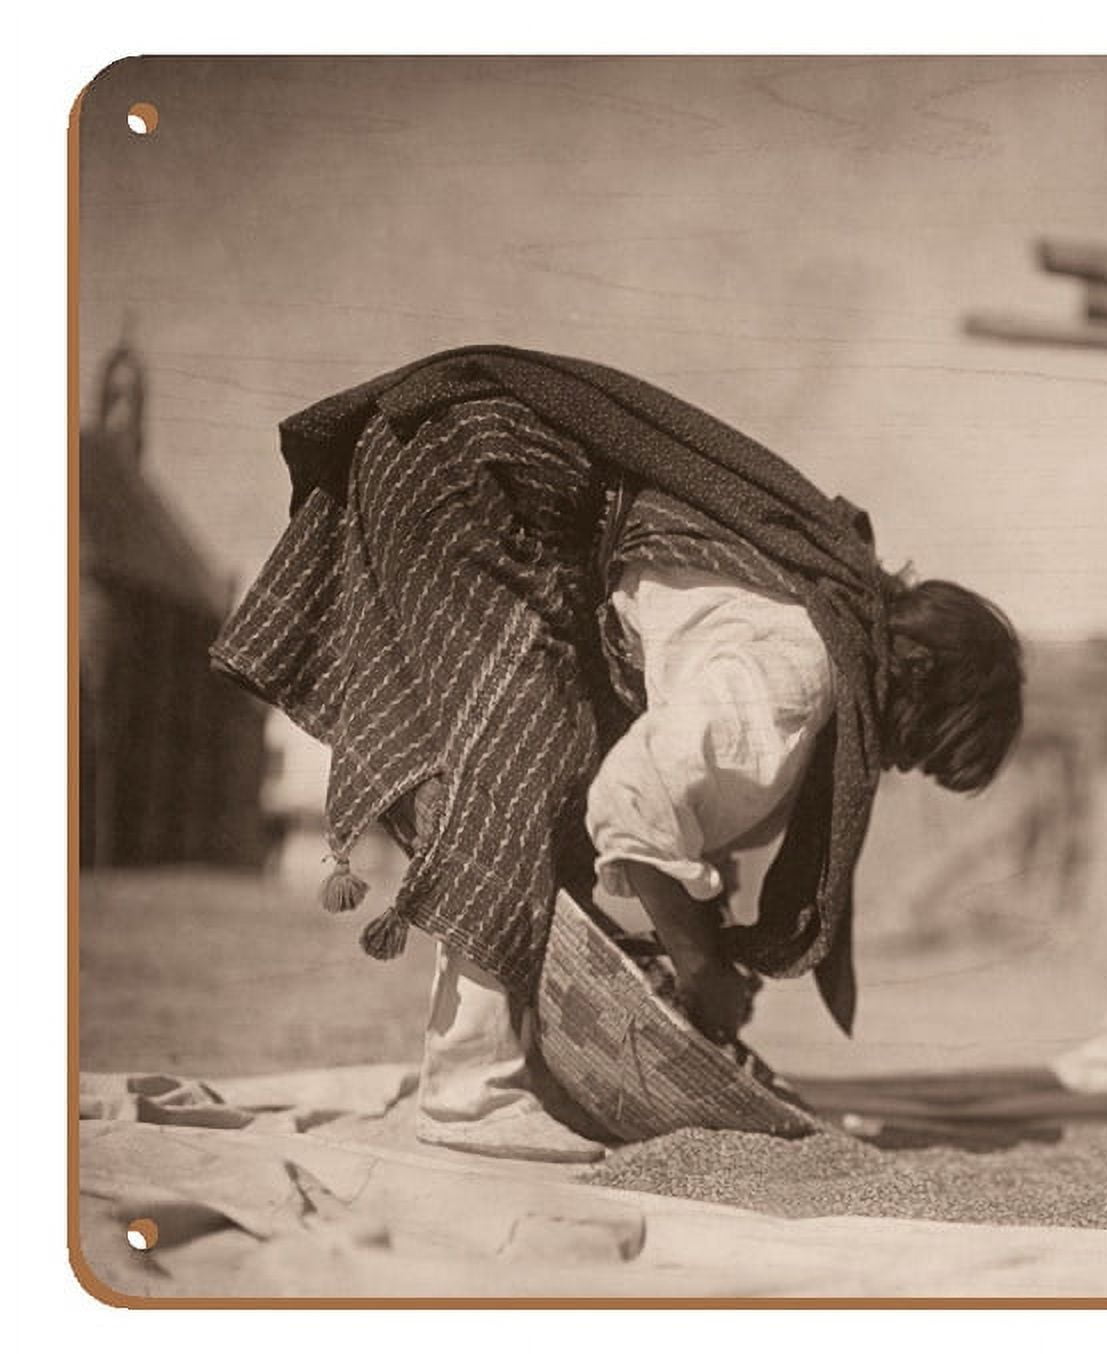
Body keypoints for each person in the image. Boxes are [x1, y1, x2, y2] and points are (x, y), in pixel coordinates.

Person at [213, 346, 1024, 1162]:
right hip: (478, 469)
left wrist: (695, 929)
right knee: (526, 762)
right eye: (920, 749)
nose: (891, 768)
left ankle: (504, 1059)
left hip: (459, 453)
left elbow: (692, 784)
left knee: (539, 757)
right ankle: (470, 1091)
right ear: (918, 681)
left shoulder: (820, 614)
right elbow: (637, 800)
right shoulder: (801, 669)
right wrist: (700, 969)